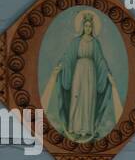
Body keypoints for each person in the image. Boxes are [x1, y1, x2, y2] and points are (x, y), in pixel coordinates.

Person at [42, 9, 123, 141]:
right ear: (82, 27)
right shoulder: (76, 41)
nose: (88, 28)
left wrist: (108, 75)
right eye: (86, 25)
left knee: (88, 99)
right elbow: (68, 56)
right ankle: (73, 127)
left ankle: (87, 129)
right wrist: (60, 67)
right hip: (78, 72)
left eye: (90, 26)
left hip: (91, 74)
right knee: (76, 97)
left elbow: (101, 61)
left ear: (92, 28)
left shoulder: (95, 43)